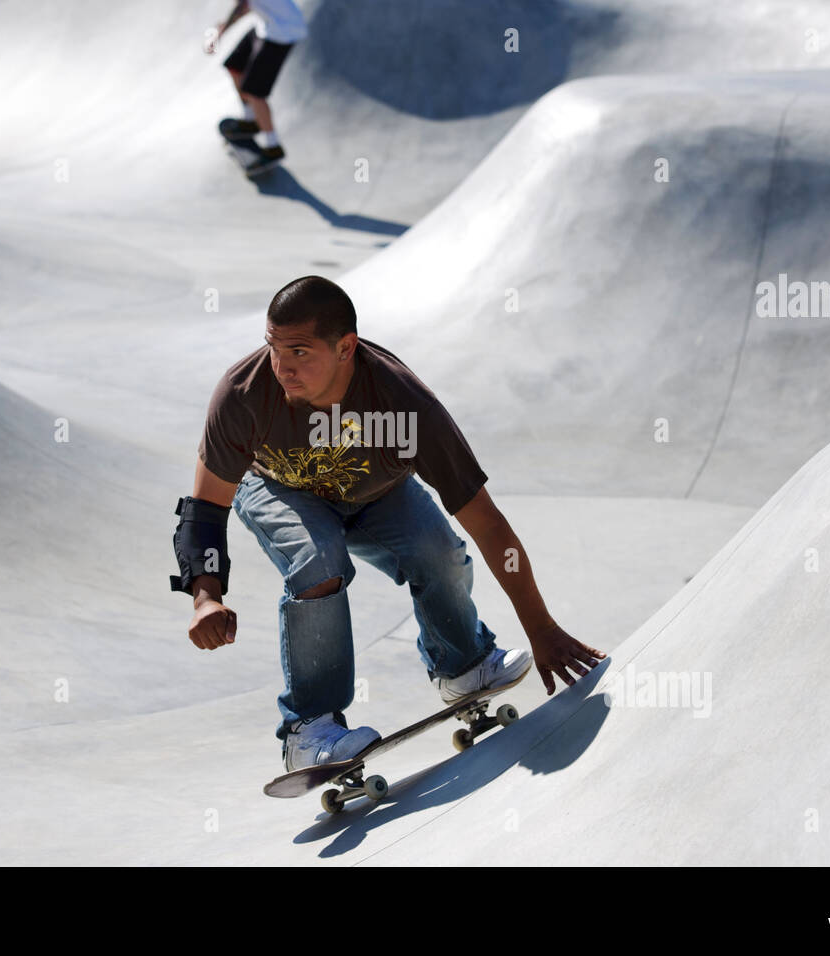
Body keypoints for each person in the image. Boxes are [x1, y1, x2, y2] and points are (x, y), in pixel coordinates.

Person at [171, 276, 607, 772]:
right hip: (277, 487)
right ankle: (309, 728)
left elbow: (486, 523)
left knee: (438, 550)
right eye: (273, 347)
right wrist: (206, 596)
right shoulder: (243, 394)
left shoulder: (404, 403)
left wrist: (541, 628)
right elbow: (205, 508)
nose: (282, 367)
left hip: (378, 493)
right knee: (319, 560)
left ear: (345, 348)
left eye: (299, 352)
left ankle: (461, 663)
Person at [206, 1, 307, 173]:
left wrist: (221, 33)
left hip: (282, 33)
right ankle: (250, 120)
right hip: (266, 26)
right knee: (234, 66)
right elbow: (247, 6)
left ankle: (273, 147)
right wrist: (225, 24)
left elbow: (242, 4)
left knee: (254, 92)